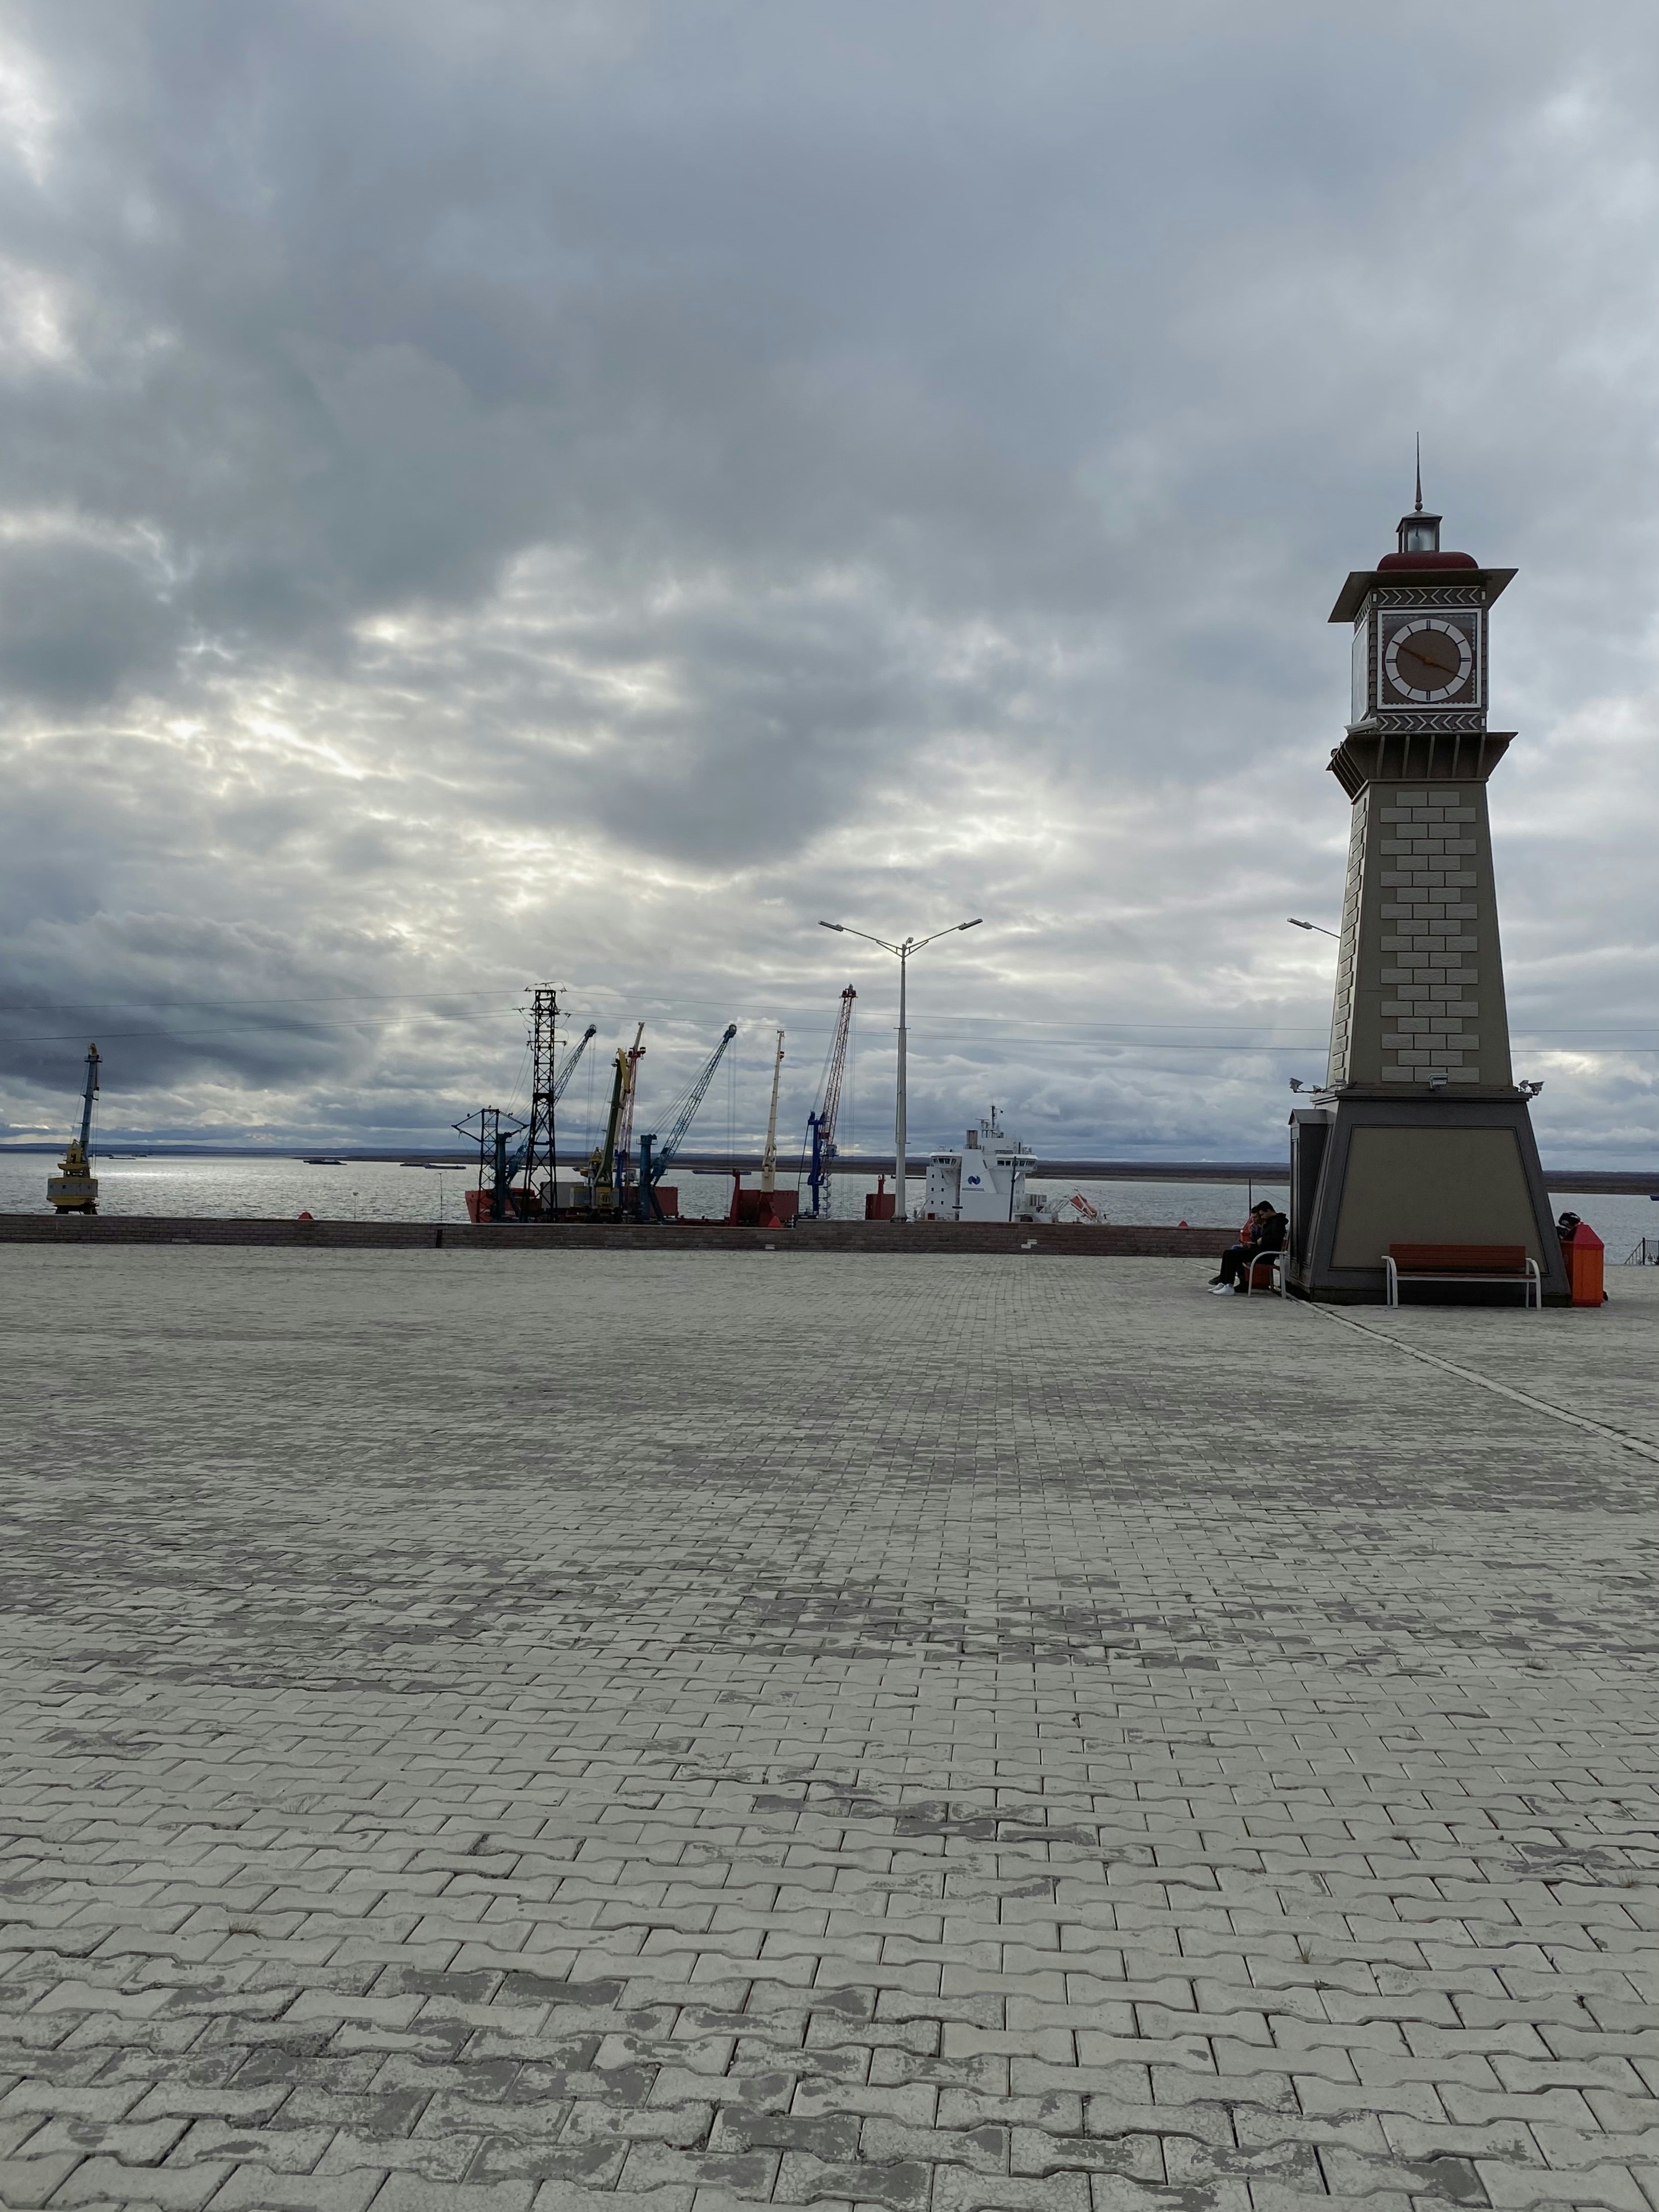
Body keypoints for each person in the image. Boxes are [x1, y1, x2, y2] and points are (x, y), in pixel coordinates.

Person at [1209, 1201, 1287, 1293]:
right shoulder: (1272, 1221)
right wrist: (1255, 1243)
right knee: (1227, 1253)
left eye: (1262, 1215)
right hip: (1261, 1252)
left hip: (1266, 1255)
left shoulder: (1277, 1222)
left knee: (1232, 1255)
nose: (1262, 1217)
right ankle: (1223, 1283)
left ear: (1268, 1211)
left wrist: (1262, 1240)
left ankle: (1229, 1286)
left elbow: (1275, 1238)